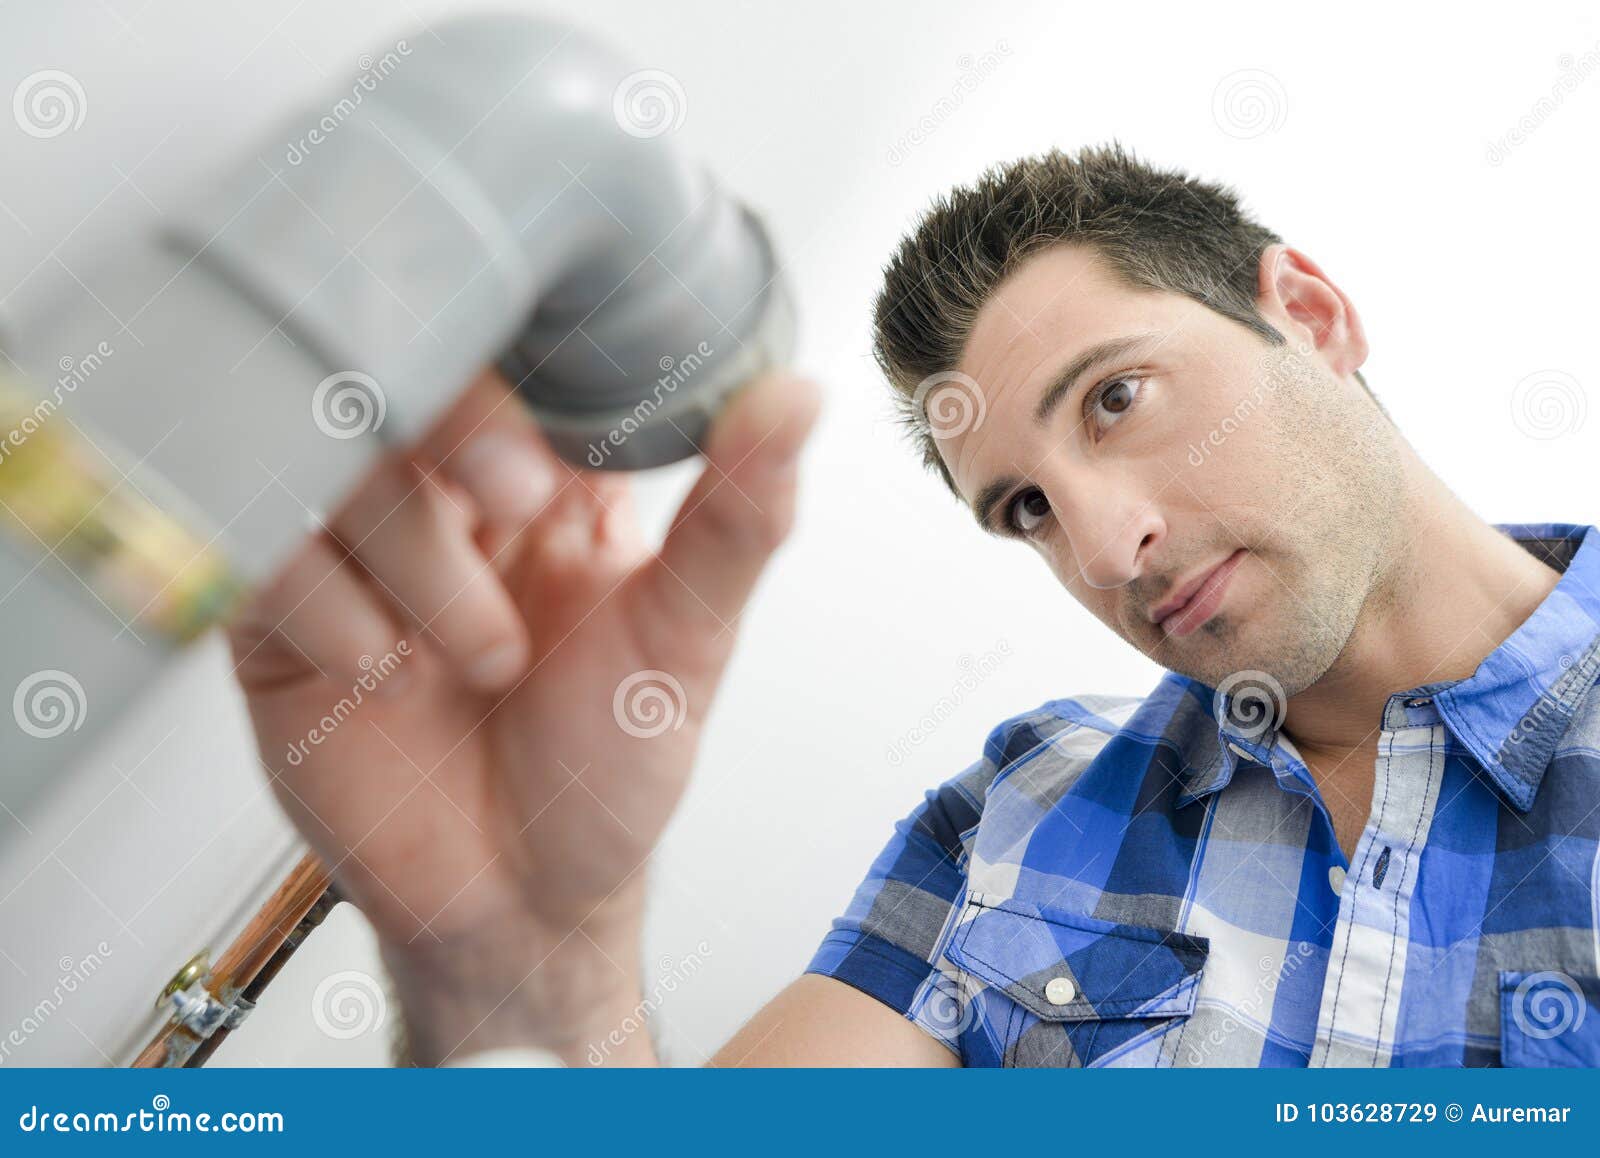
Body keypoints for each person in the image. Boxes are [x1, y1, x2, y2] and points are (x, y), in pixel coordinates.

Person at [229, 142, 1600, 1068]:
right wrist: (526, 966)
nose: (1106, 547)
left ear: (1309, 311)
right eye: (1027, 508)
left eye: (1116, 398)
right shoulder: (1016, 811)